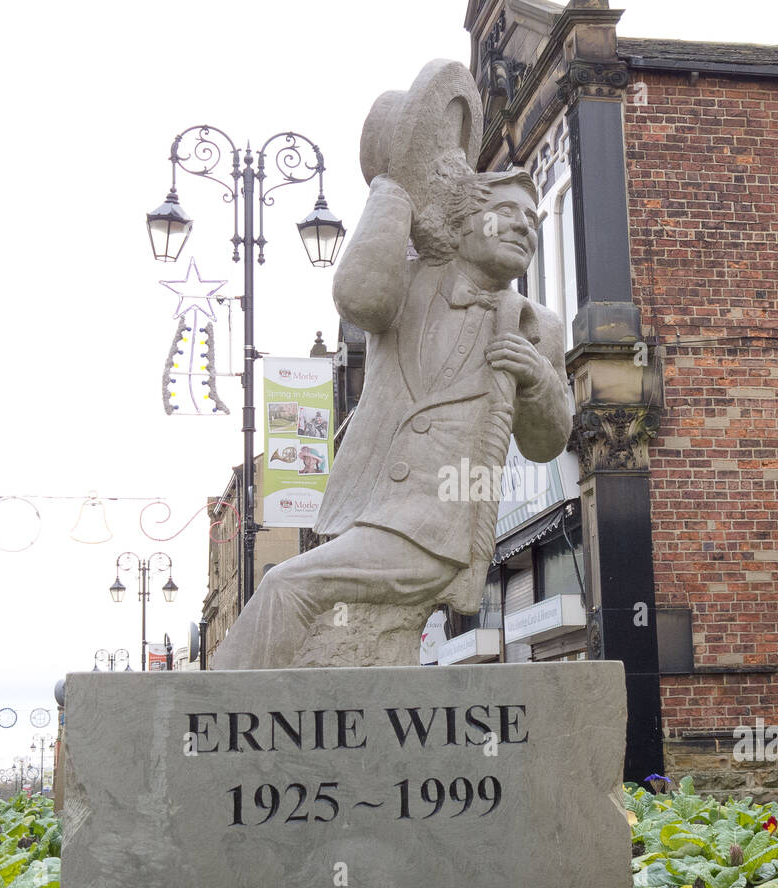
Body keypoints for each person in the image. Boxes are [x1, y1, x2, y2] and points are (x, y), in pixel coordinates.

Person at [212, 164, 570, 669]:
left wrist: (538, 380)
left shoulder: (541, 327)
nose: (524, 226)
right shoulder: (407, 283)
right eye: (505, 212)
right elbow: (357, 295)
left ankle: (216, 719)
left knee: (286, 585)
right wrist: (394, 186)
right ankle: (241, 720)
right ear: (465, 223)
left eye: (532, 219)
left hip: (439, 527)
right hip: (380, 509)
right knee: (295, 594)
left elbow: (547, 443)